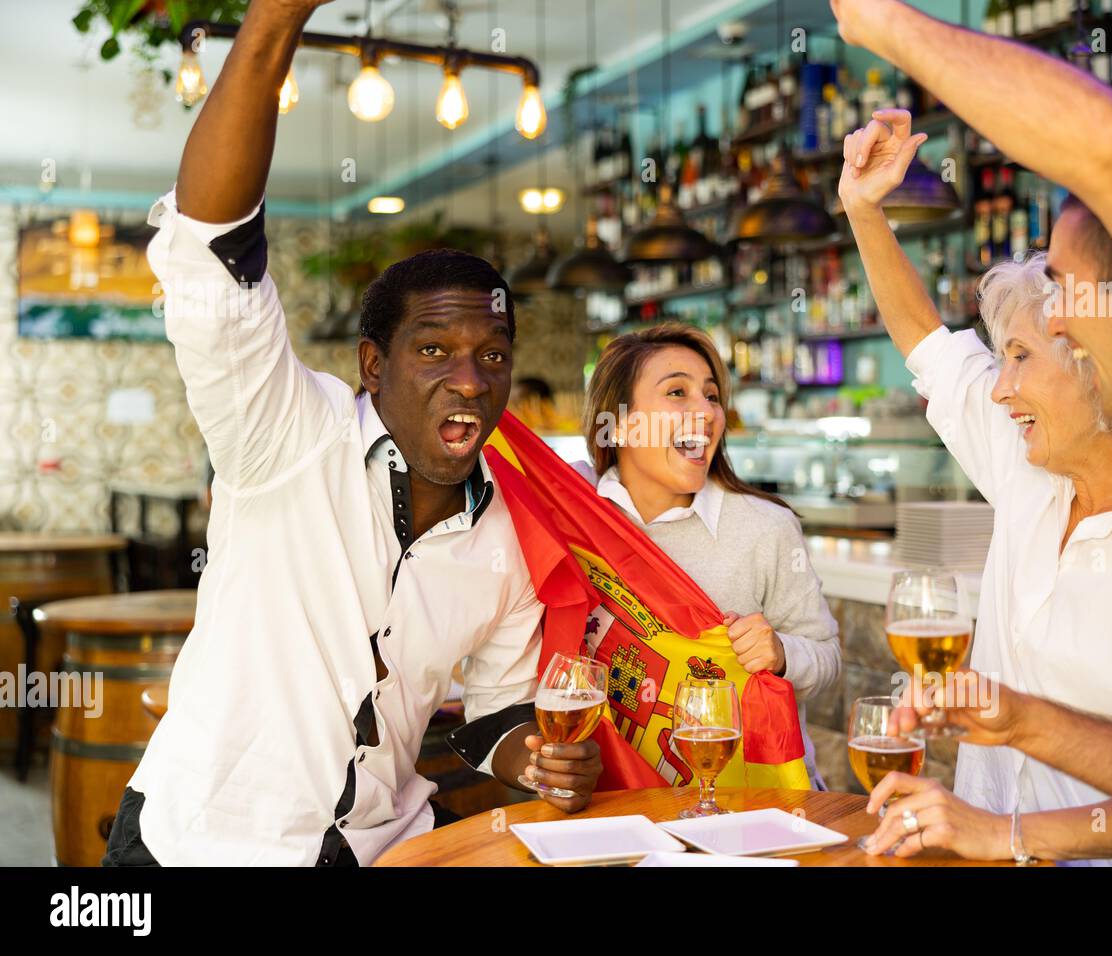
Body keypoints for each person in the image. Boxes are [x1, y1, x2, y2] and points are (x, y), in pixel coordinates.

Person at [103, 0, 600, 867]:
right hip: (204, 844)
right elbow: (210, 258)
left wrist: (540, 758)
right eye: (434, 350)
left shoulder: (510, 537)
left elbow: (497, 712)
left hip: (379, 848)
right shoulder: (287, 434)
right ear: (374, 365)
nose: (470, 379)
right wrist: (273, 23)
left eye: (493, 354)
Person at [830, 0, 1112, 864]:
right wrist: (1020, 722)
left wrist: (888, 24)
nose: (1059, 321)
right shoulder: (1064, 468)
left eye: (1066, 294)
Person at [837, 113, 1112, 864]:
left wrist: (1009, 837)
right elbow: (926, 343)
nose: (998, 388)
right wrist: (862, 207)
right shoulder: (1029, 467)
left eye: (1018, 357)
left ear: (1096, 361)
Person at [574, 324, 841, 787]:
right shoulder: (575, 514)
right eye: (677, 392)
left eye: (712, 396)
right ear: (617, 424)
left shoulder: (766, 526)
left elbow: (828, 657)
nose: (707, 411)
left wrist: (781, 653)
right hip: (617, 801)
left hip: (751, 797)